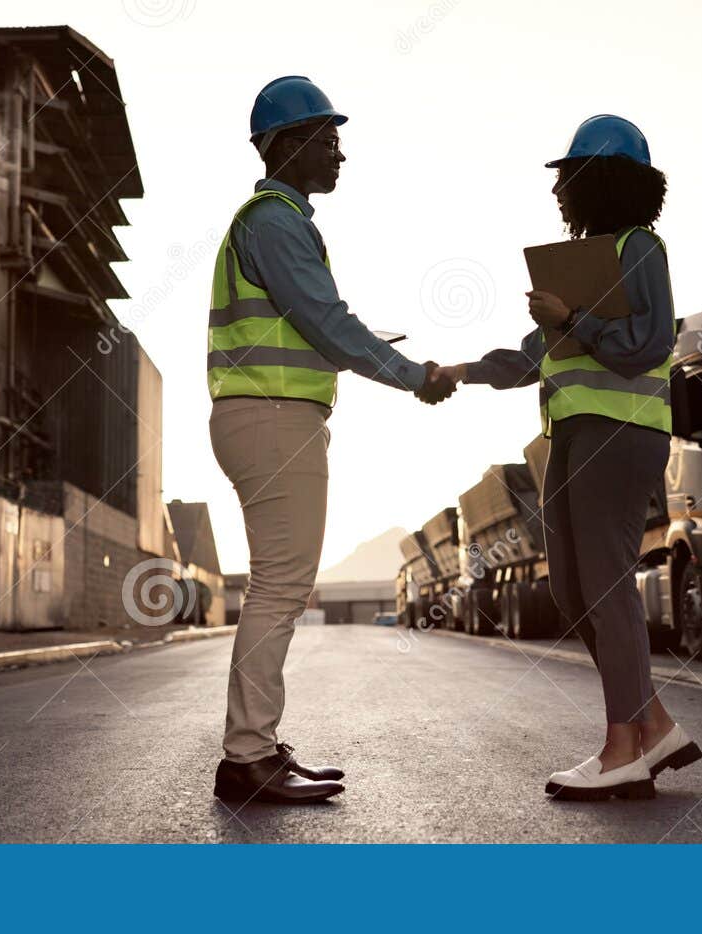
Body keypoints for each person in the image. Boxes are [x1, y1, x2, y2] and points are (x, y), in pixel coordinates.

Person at [209, 76, 458, 805]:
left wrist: (357, 345)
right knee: (280, 588)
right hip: (272, 417)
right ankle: (246, 757)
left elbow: (312, 325)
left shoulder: (276, 220)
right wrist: (415, 376)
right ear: (288, 146)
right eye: (329, 140)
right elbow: (329, 322)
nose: (341, 155)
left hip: (268, 415)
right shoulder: (276, 218)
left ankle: (254, 749)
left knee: (277, 586)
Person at [438, 115, 701, 802]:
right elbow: (532, 357)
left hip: (619, 432)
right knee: (572, 592)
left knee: (607, 586)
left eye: (569, 178)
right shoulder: (581, 271)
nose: (559, 193)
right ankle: (654, 726)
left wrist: (571, 320)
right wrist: (454, 370)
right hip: (576, 436)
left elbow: (646, 344)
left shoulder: (640, 249)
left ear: (602, 181)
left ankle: (622, 750)